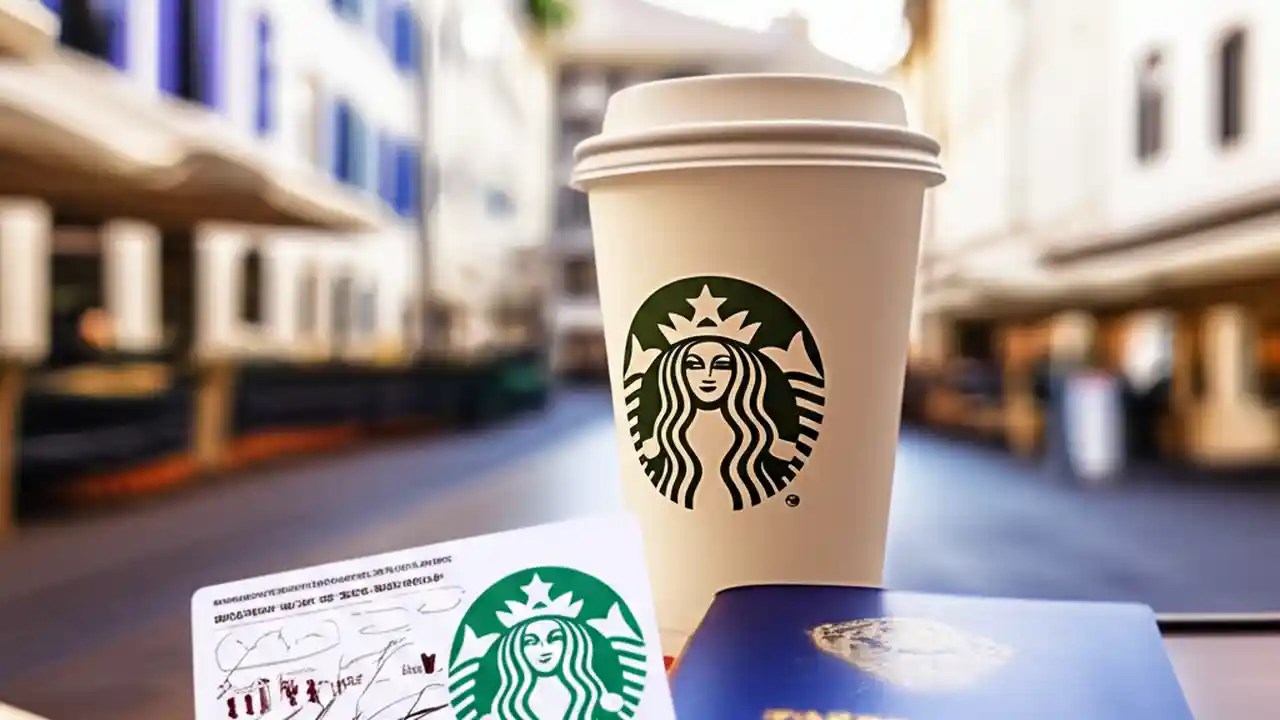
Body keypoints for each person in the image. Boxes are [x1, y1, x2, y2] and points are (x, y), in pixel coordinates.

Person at [638, 336, 796, 511]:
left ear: (739, 372)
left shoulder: (763, 435)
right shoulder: (661, 437)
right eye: (694, 365)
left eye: (721, 365)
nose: (708, 375)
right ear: (678, 373)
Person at [485, 616, 623, 720]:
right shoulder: (505, 708)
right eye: (530, 642)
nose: (544, 649)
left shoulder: (596, 698)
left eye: (555, 638)